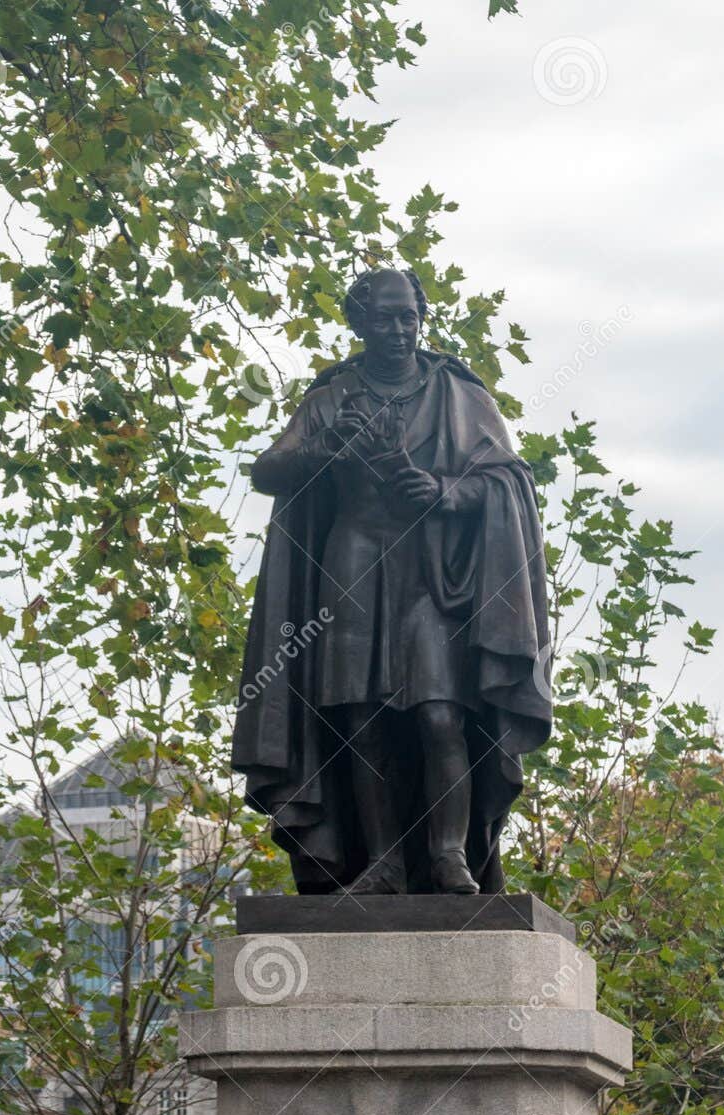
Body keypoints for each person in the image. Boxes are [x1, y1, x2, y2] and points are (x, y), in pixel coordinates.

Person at [232, 266, 551, 894]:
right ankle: (383, 862)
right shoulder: (331, 396)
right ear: (358, 321)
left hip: (435, 573)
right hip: (352, 563)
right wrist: (325, 450)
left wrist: (444, 491)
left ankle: (448, 854)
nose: (401, 329)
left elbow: (509, 479)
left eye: (410, 316)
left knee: (440, 712)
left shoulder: (457, 392)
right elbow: (269, 470)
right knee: (361, 718)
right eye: (385, 317)